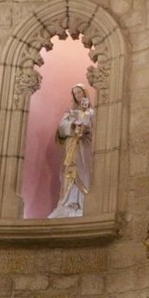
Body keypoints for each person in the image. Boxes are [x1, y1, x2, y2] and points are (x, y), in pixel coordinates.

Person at [47, 83, 95, 218]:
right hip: (71, 145)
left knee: (83, 171)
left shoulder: (91, 112)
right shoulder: (70, 112)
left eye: (79, 92)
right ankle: (68, 202)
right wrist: (72, 125)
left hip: (84, 147)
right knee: (69, 170)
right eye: (75, 93)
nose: (77, 95)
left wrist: (85, 127)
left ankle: (82, 201)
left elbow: (94, 129)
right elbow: (61, 129)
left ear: (84, 94)